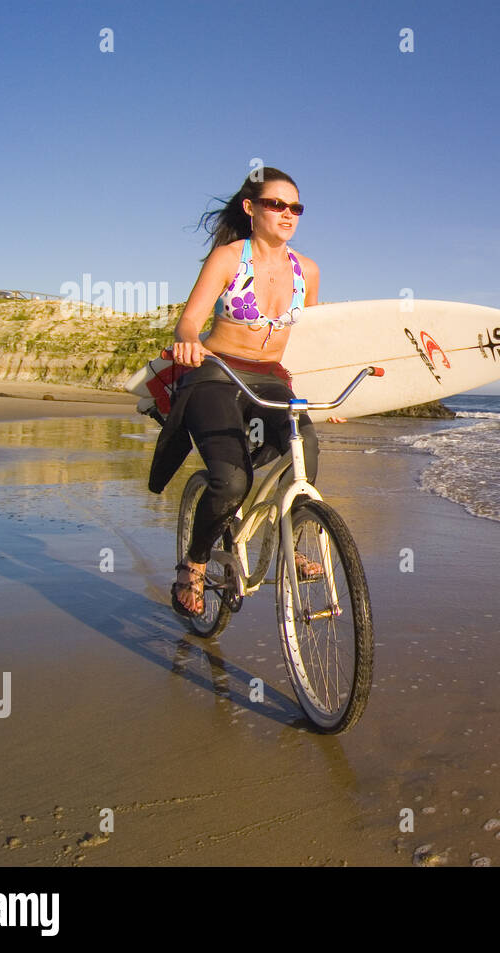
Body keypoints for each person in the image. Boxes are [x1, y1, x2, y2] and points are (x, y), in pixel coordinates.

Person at [147, 167, 322, 617]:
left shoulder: (309, 270)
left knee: (308, 449)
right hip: (217, 373)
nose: (288, 214)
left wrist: (323, 393)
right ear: (251, 208)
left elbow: (311, 341)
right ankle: (195, 563)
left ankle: (287, 538)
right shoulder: (229, 257)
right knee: (231, 481)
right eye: (276, 204)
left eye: (295, 207)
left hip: (271, 379)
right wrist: (187, 340)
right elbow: (190, 321)